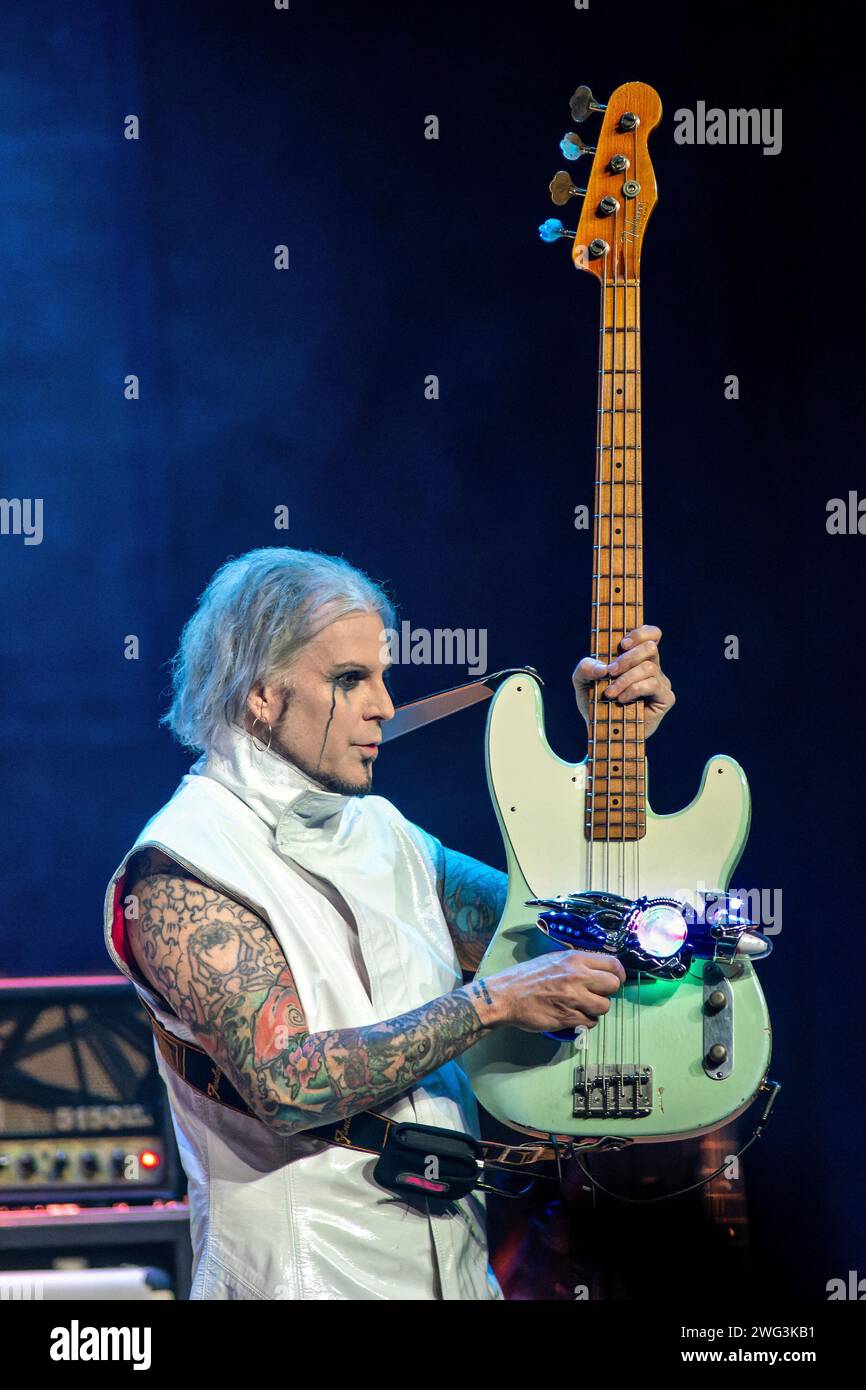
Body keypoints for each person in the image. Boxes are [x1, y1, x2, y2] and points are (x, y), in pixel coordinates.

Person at [103, 546, 675, 1300]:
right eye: (349, 680)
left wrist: (610, 756)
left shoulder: (389, 834)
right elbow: (286, 1082)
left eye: (382, 675)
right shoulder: (182, 864)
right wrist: (494, 1002)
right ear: (260, 696)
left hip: (459, 1272)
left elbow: (566, 934)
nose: (383, 705)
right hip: (303, 1282)